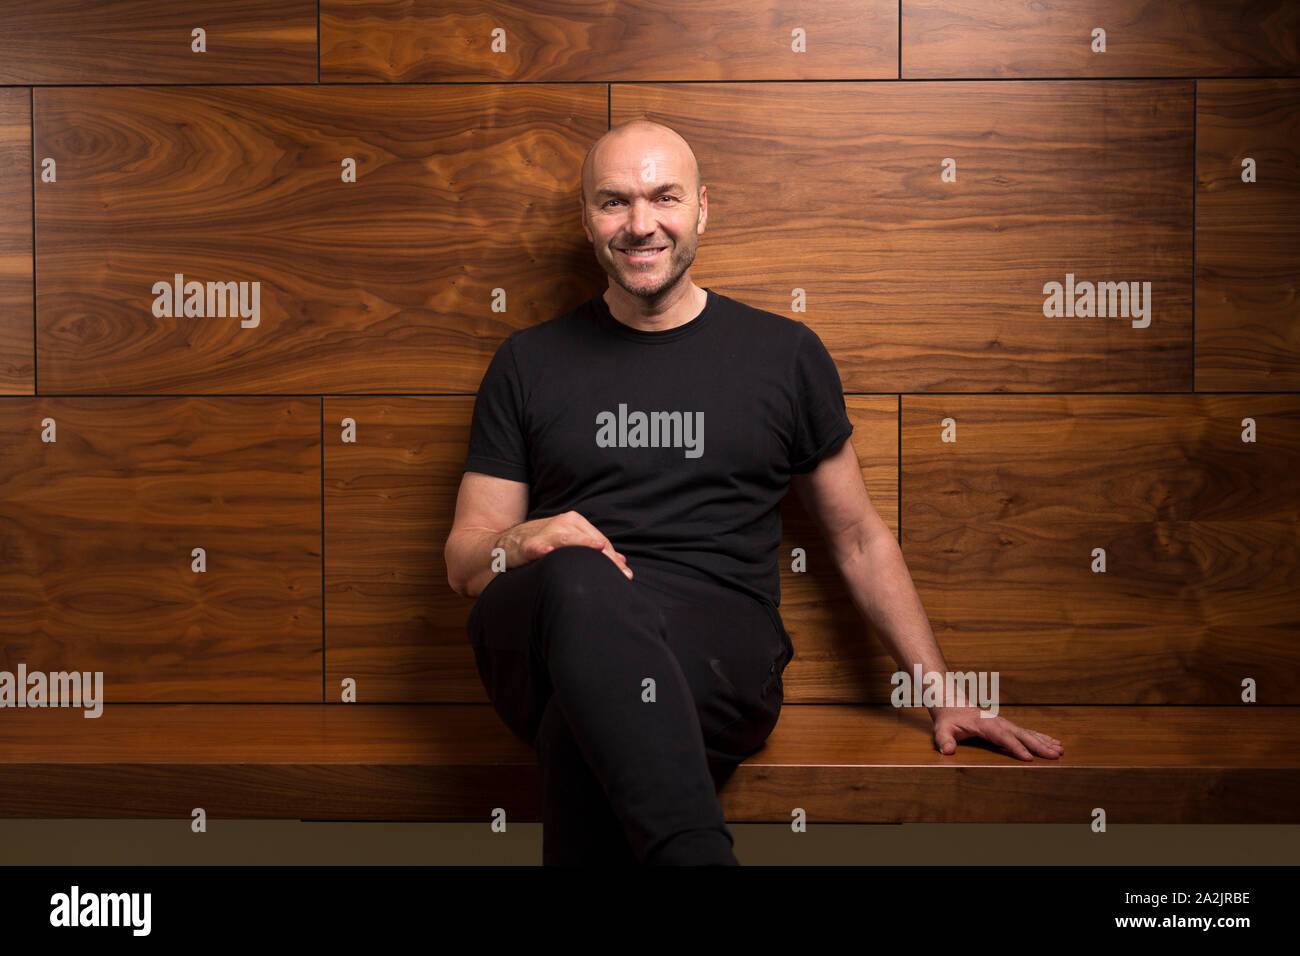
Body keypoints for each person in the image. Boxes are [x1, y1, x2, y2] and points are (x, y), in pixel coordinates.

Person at [444, 119, 1063, 866]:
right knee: (580, 582)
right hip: (550, 636)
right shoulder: (529, 363)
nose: (641, 225)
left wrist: (942, 693)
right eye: (614, 202)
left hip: (715, 657)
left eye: (663, 198)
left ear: (703, 208)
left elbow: (858, 538)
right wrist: (529, 540)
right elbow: (465, 566)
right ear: (586, 218)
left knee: (582, 731)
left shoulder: (784, 355)